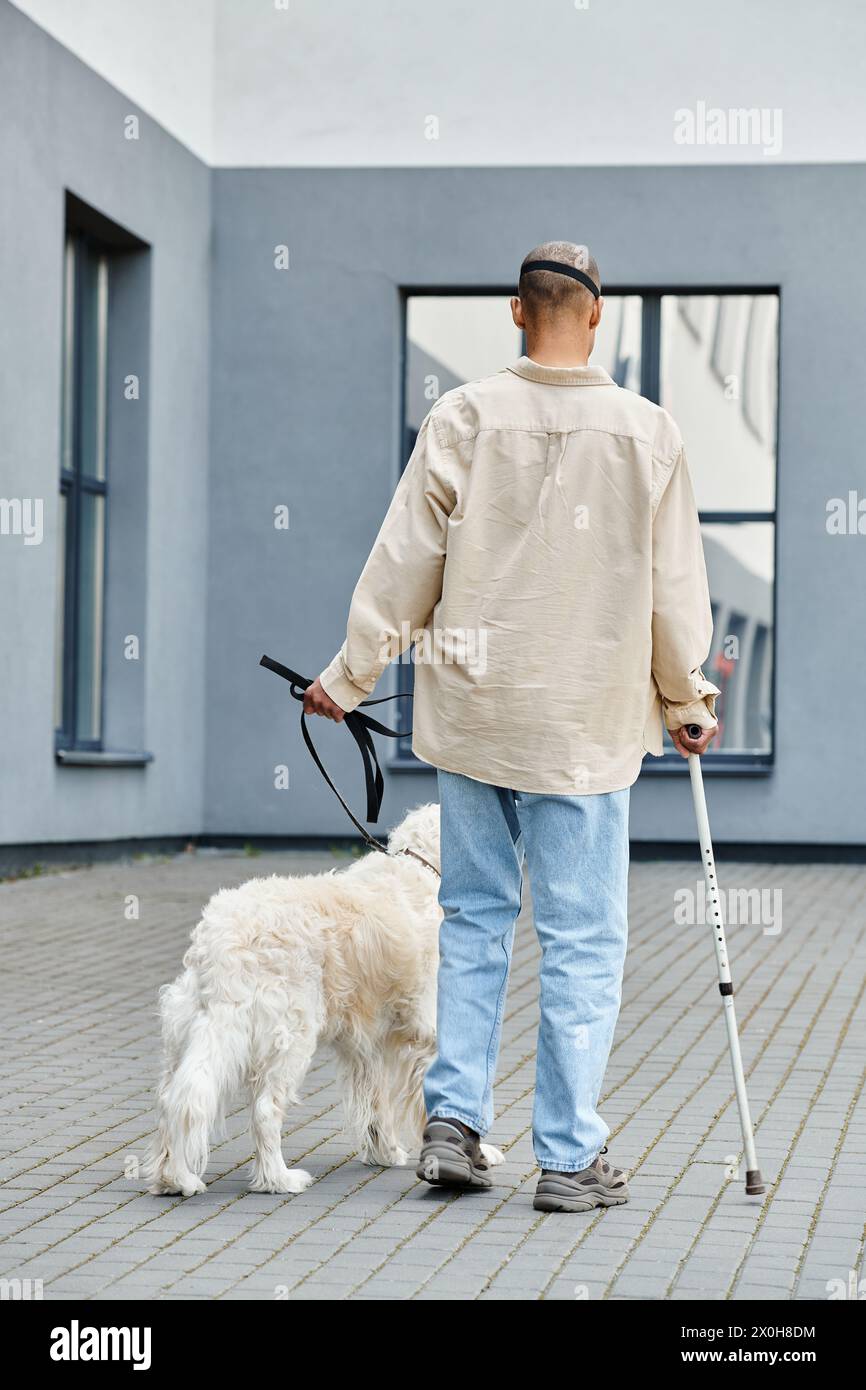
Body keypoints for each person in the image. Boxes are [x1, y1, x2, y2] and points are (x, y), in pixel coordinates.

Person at [304, 241, 719, 1212]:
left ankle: (450, 1127)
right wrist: (684, 697)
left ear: (513, 312)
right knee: (579, 938)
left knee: (475, 920)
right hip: (582, 730)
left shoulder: (463, 415)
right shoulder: (645, 431)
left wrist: (348, 678)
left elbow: (404, 559)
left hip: (475, 718)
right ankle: (567, 1157)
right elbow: (669, 592)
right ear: (598, 315)